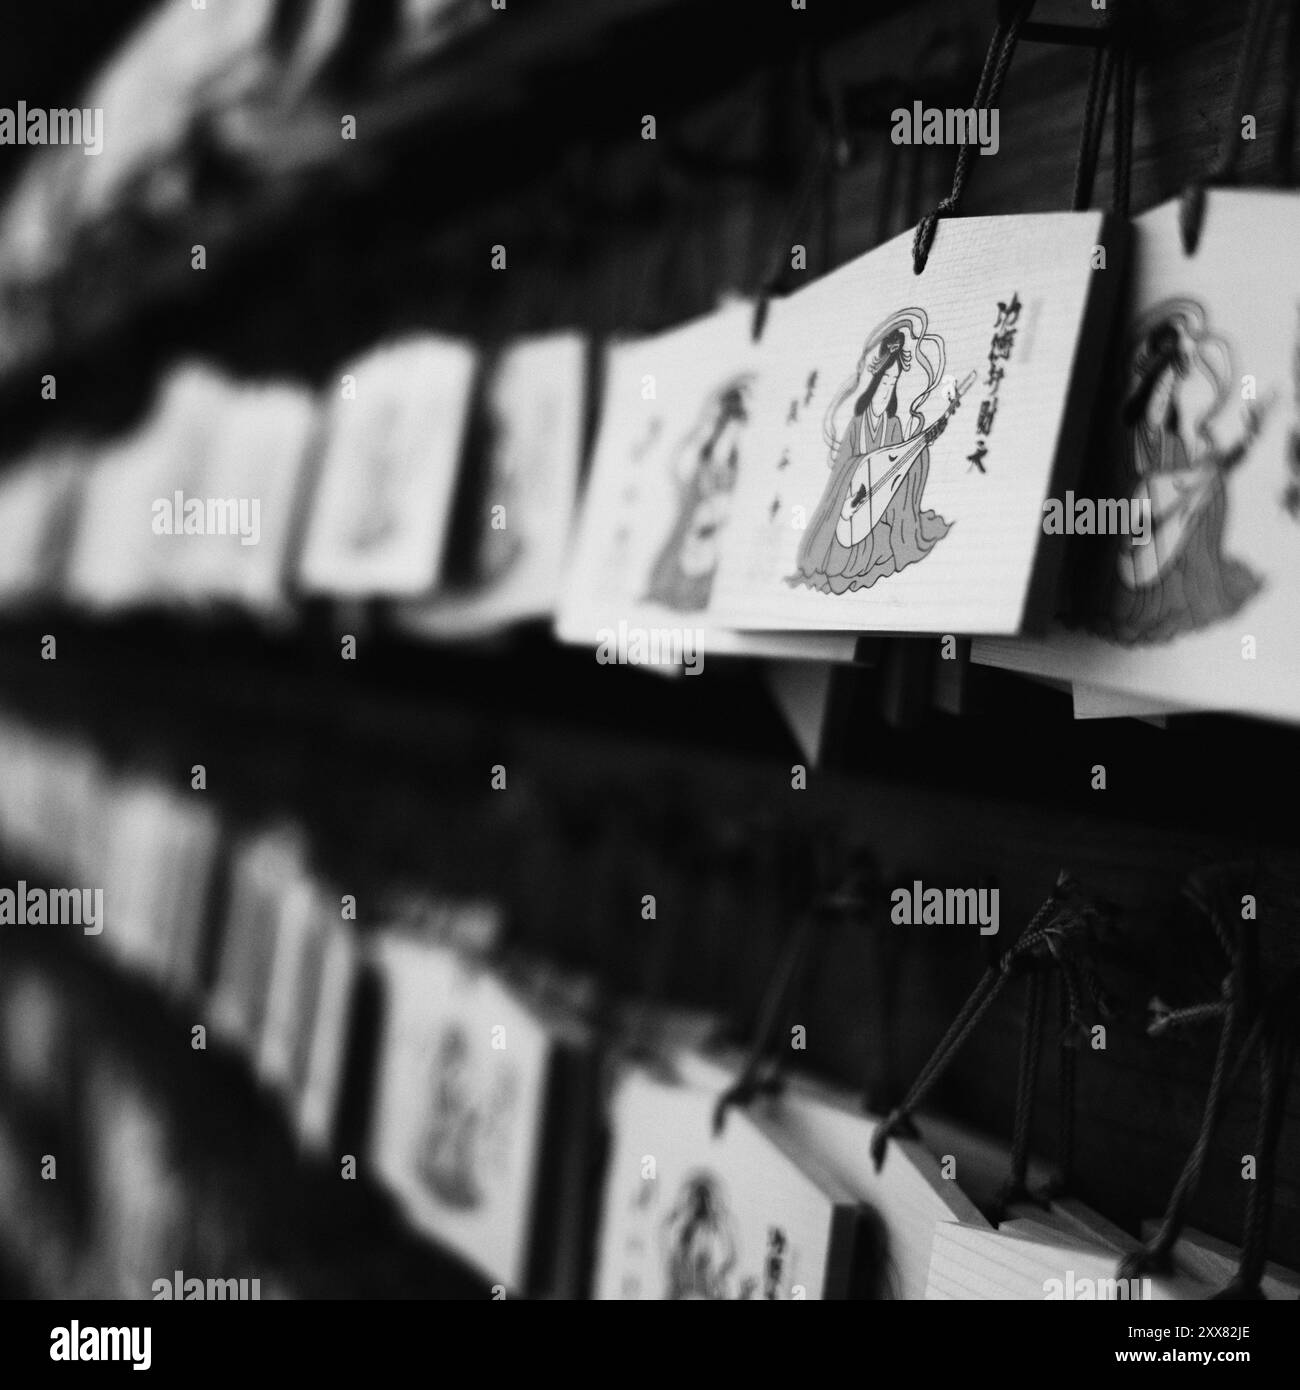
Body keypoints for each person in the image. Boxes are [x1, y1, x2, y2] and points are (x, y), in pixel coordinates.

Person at [787, 323, 951, 594]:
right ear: (876, 381)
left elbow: (899, 468)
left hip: (877, 514)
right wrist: (858, 474)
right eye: (885, 380)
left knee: (879, 547)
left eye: (894, 382)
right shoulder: (856, 425)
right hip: (848, 508)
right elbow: (841, 473)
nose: (888, 387)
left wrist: (922, 445)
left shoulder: (894, 424)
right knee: (828, 555)